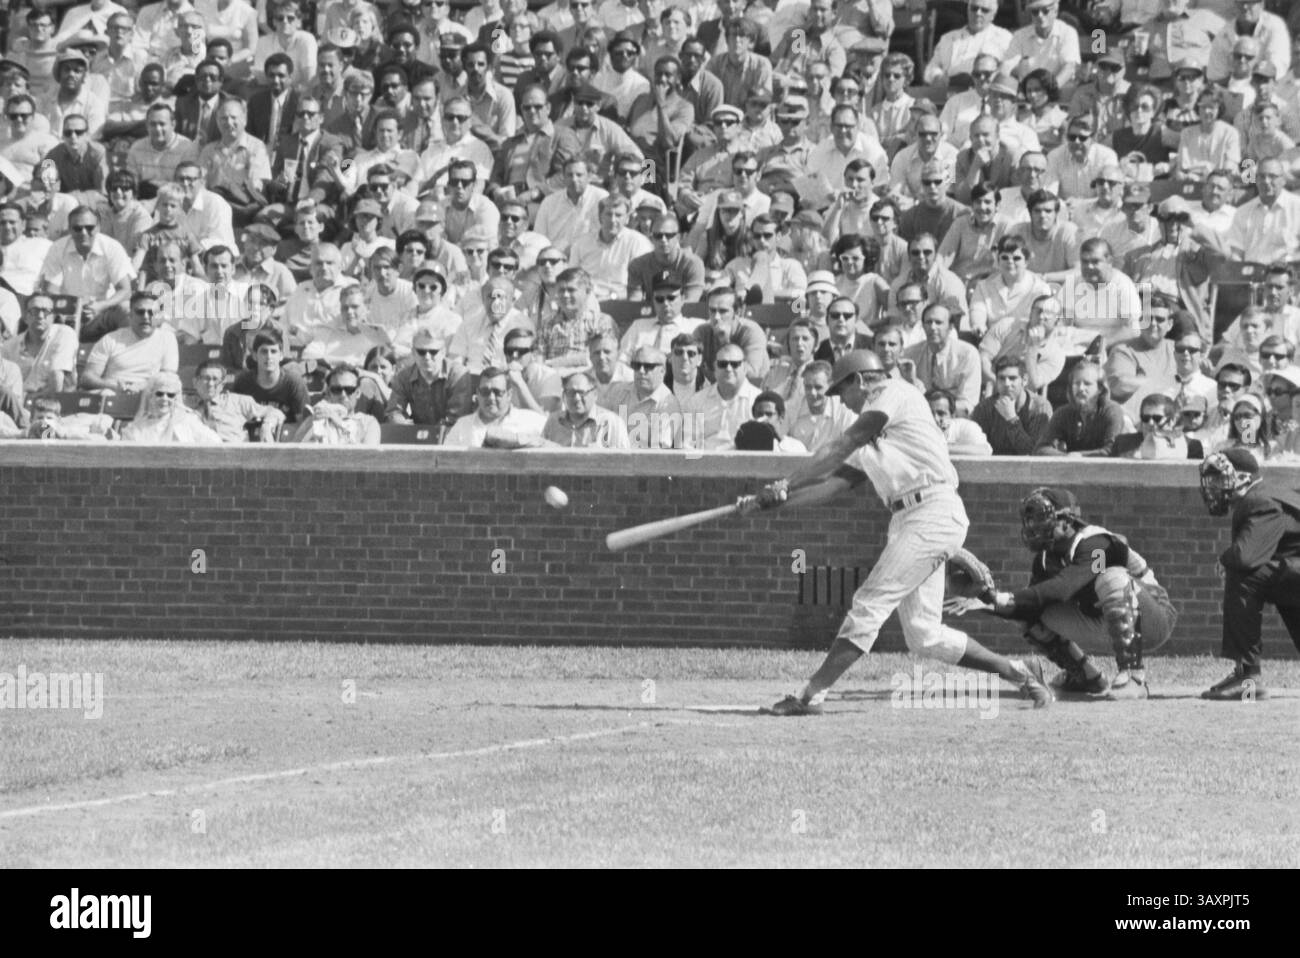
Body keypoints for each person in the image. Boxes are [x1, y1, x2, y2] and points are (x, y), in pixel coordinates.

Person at [741, 349, 1052, 715]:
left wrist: (785, 482)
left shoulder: (894, 392)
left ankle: (810, 696)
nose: (845, 403)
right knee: (924, 635)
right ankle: (1019, 671)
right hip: (908, 517)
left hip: (932, 510)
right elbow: (833, 486)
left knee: (869, 604)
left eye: (844, 392)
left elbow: (844, 444)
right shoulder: (871, 429)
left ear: (859, 381)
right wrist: (775, 503)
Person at [951, 486, 1177, 701]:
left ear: (1067, 521)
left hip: (1153, 618)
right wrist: (988, 602)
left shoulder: (1097, 543)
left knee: (1110, 576)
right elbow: (1032, 602)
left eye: (1042, 518)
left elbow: (1064, 587)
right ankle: (1086, 677)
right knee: (1031, 615)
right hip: (1103, 619)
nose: (1033, 526)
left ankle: (1134, 678)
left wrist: (1003, 598)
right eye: (1030, 520)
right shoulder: (1044, 559)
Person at [1198, 449, 1300, 700]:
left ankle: (1248, 676)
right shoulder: (1269, 493)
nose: (1213, 486)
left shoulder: (1258, 501)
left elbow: (1246, 557)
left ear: (1242, 478)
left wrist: (1225, 559)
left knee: (1245, 574)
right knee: (1271, 572)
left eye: (1220, 478)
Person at [1036, 359, 1126, 456]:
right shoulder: (1063, 413)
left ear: (1100, 388)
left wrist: (1080, 456)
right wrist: (1066, 457)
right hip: (1073, 468)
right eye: (1076, 383)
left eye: (1087, 384)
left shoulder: (1111, 411)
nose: (1081, 388)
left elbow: (1112, 450)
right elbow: (1041, 448)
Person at [442, 364, 548, 447]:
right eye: (485, 392)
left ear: (509, 394)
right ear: (477, 393)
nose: (491, 398)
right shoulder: (462, 426)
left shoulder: (530, 421)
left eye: (497, 392)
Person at [970, 355, 1053, 456]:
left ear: (1024, 380)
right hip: (994, 466)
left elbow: (1035, 452)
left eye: (1012, 378)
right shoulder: (984, 408)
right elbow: (975, 447)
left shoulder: (1040, 407)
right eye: (1001, 378)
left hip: (1028, 469)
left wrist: (1011, 419)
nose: (1007, 383)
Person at [187, 358, 286, 441]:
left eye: (215, 379)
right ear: (195, 382)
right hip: (199, 457)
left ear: (222, 384)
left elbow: (275, 412)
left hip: (234, 456)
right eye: (206, 378)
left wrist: (267, 426)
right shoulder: (185, 405)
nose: (211, 384)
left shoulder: (237, 401)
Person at [230, 331, 312, 423]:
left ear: (281, 355)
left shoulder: (294, 383)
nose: (269, 356)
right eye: (264, 352)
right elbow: (232, 419)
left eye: (273, 351)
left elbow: (304, 426)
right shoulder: (242, 382)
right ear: (254, 355)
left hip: (286, 435)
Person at [290, 363, 381, 444]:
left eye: (349, 390)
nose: (343, 395)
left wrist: (341, 424)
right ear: (329, 393)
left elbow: (368, 458)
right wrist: (311, 421)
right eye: (337, 390)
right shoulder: (318, 417)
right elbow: (293, 453)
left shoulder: (368, 422)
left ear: (357, 393)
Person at [120, 371, 223, 443]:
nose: (165, 399)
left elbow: (215, 441)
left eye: (170, 395)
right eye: (159, 394)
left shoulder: (187, 421)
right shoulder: (137, 427)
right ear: (151, 396)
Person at [1112, 393, 1205, 460]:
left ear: (1172, 421)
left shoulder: (1191, 447)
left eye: (1157, 418)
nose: (1150, 423)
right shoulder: (1122, 443)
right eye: (1145, 418)